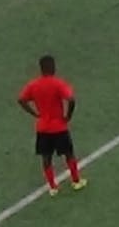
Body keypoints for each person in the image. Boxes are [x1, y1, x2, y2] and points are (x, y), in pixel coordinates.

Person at [17, 55, 85, 196]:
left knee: (46, 157)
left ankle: (53, 187)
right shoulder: (58, 83)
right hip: (59, 126)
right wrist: (68, 116)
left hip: (42, 127)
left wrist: (35, 114)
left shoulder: (33, 85)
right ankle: (76, 181)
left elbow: (21, 99)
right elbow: (71, 99)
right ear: (51, 67)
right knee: (69, 154)